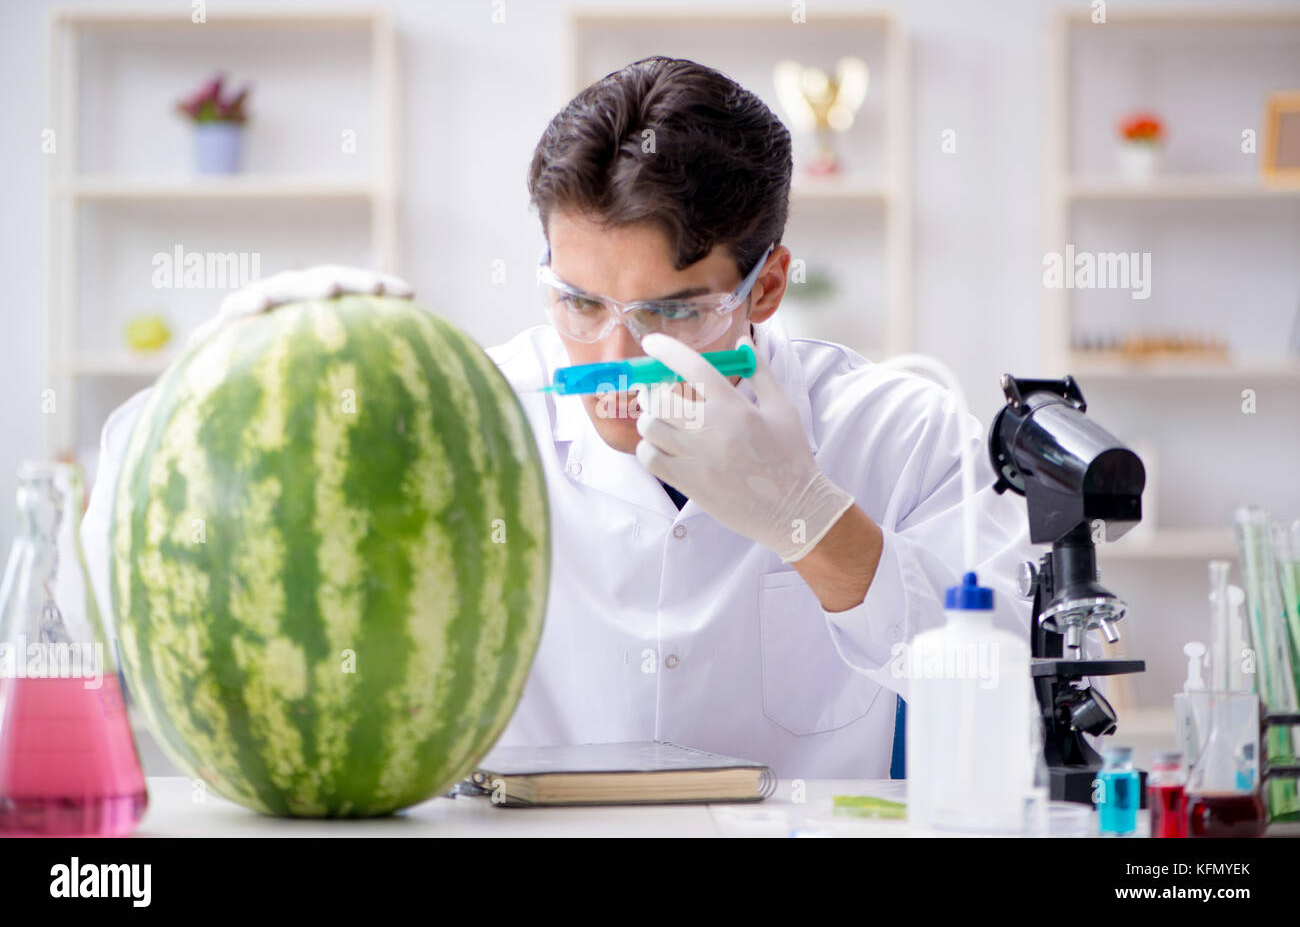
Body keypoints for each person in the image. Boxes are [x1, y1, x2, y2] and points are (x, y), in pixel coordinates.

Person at [82, 57, 1037, 781]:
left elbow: (1008, 703)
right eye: (580, 303)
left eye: (670, 312)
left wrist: (810, 518)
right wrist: (220, 378)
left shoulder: (902, 427)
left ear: (770, 284)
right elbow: (117, 564)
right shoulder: (473, 415)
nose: (616, 362)